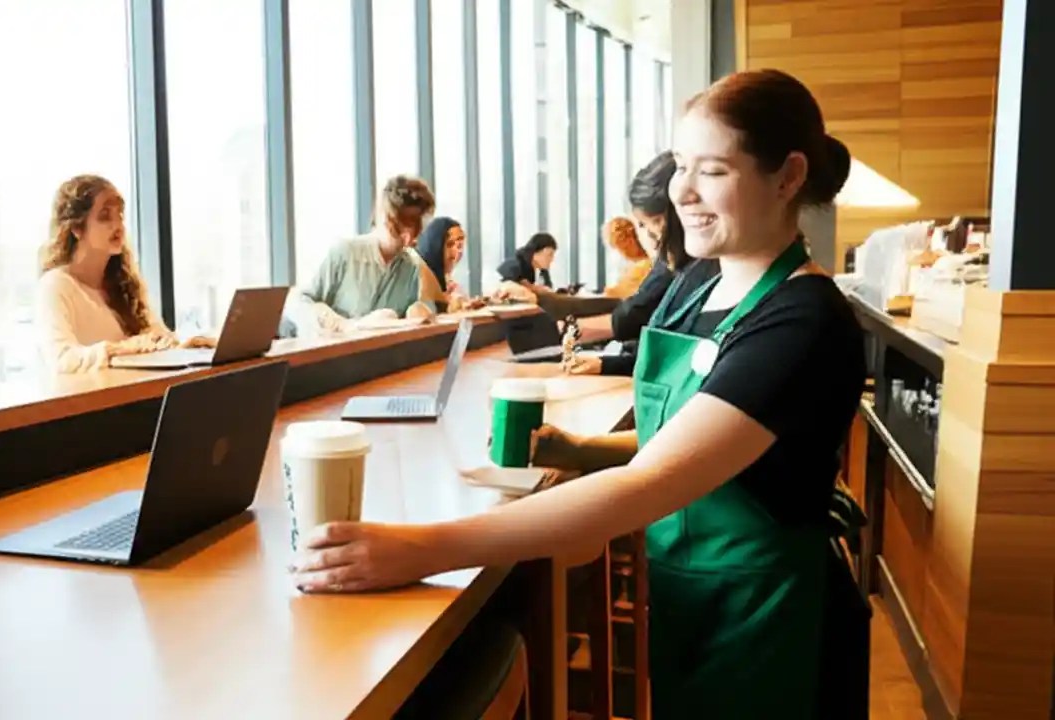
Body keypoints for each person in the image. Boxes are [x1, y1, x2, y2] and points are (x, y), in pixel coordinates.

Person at [290, 68, 867, 718]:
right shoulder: (696, 286)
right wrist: (575, 446)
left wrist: (423, 547)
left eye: (713, 171)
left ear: (788, 176)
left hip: (772, 618)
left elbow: (646, 484)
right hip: (693, 601)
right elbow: (680, 437)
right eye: (681, 164)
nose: (682, 192)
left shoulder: (802, 321)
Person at [35, 174, 214, 373]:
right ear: (77, 228)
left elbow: (156, 338)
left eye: (120, 215)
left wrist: (186, 345)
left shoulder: (124, 283)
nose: (118, 225)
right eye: (105, 216)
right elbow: (62, 360)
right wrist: (126, 348)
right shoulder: (55, 286)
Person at [568, 152, 720, 376]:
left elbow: (641, 319)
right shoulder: (682, 267)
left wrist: (576, 330)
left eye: (655, 222)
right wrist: (606, 364)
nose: (651, 234)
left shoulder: (697, 269)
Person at [288, 175, 440, 335]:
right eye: (399, 229)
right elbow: (298, 302)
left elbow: (425, 307)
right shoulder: (345, 252)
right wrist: (337, 323)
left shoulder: (410, 267)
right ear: (384, 218)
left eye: (415, 230)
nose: (408, 239)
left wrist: (421, 310)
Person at [413, 217, 483, 313]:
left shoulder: (449, 282)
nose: (457, 251)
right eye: (450, 245)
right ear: (434, 245)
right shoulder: (417, 276)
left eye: (460, 245)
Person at [495, 232, 557, 297]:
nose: (552, 259)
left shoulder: (543, 271)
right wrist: (533, 288)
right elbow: (506, 287)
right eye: (549, 255)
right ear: (534, 252)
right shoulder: (514, 265)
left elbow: (549, 291)